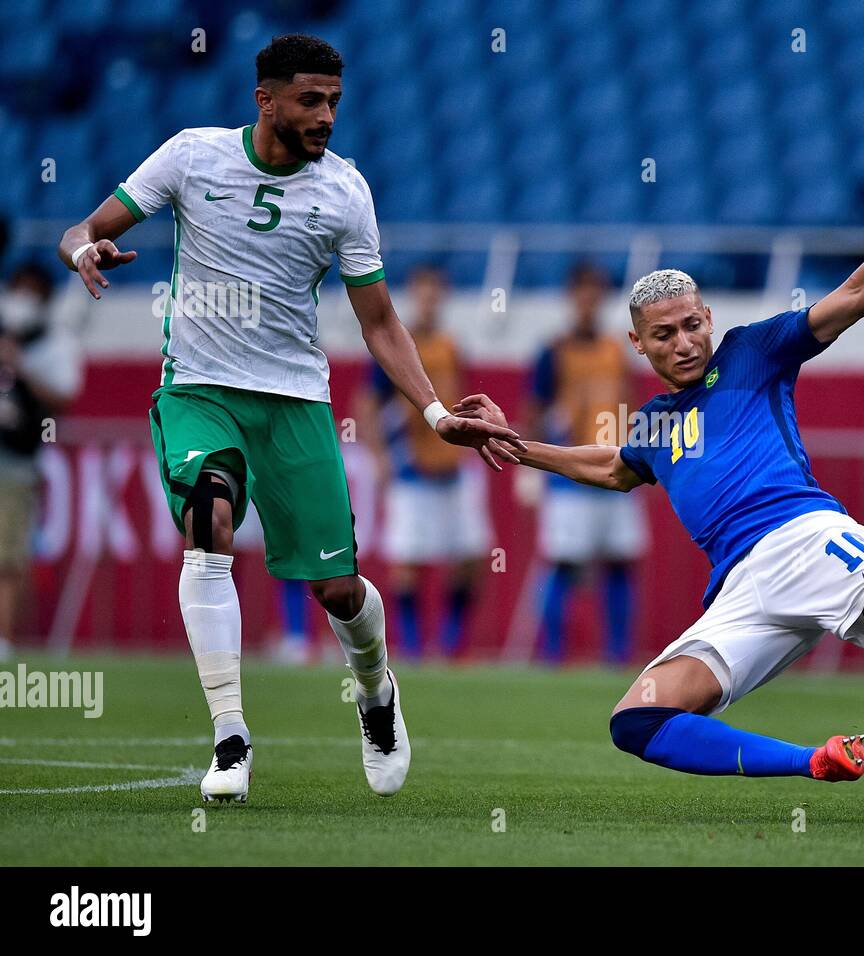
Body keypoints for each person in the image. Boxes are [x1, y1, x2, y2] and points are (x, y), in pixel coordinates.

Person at [457, 173, 864, 782]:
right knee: (636, 720)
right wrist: (516, 446)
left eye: (692, 324)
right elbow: (611, 467)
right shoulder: (656, 422)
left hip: (804, 535)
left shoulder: (756, 351)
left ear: (709, 319)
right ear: (639, 344)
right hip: (740, 590)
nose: (685, 342)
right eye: (665, 335)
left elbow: (861, 293)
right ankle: (813, 761)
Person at [56, 34, 523, 803]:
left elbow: (379, 322)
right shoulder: (191, 157)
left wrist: (434, 410)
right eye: (311, 99)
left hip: (295, 402)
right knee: (210, 513)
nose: (327, 115)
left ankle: (376, 694)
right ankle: (231, 739)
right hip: (200, 389)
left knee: (338, 591)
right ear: (264, 99)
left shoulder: (344, 193)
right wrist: (85, 251)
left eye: (335, 101)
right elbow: (84, 227)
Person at [355, 265, 493, 658]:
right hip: (411, 469)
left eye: (436, 293)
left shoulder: (451, 346)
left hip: (451, 467)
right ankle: (413, 648)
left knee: (469, 558)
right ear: (413, 297)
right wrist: (379, 456)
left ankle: (450, 645)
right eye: (423, 293)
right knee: (408, 561)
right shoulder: (399, 344)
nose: (429, 301)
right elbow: (367, 404)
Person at [525, 263, 645, 664]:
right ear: (572, 296)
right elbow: (535, 410)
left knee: (619, 562)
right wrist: (534, 460)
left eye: (596, 292)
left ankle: (618, 654)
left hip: (616, 470)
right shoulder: (553, 351)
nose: (589, 301)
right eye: (583, 292)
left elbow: (628, 403)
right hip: (570, 476)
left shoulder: (615, 350)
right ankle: (552, 654)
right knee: (562, 562)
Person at [0, 262, 82, 660]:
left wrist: (21, 365)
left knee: (8, 553)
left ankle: (4, 637)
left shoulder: (52, 340)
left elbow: (63, 397)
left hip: (16, 457)